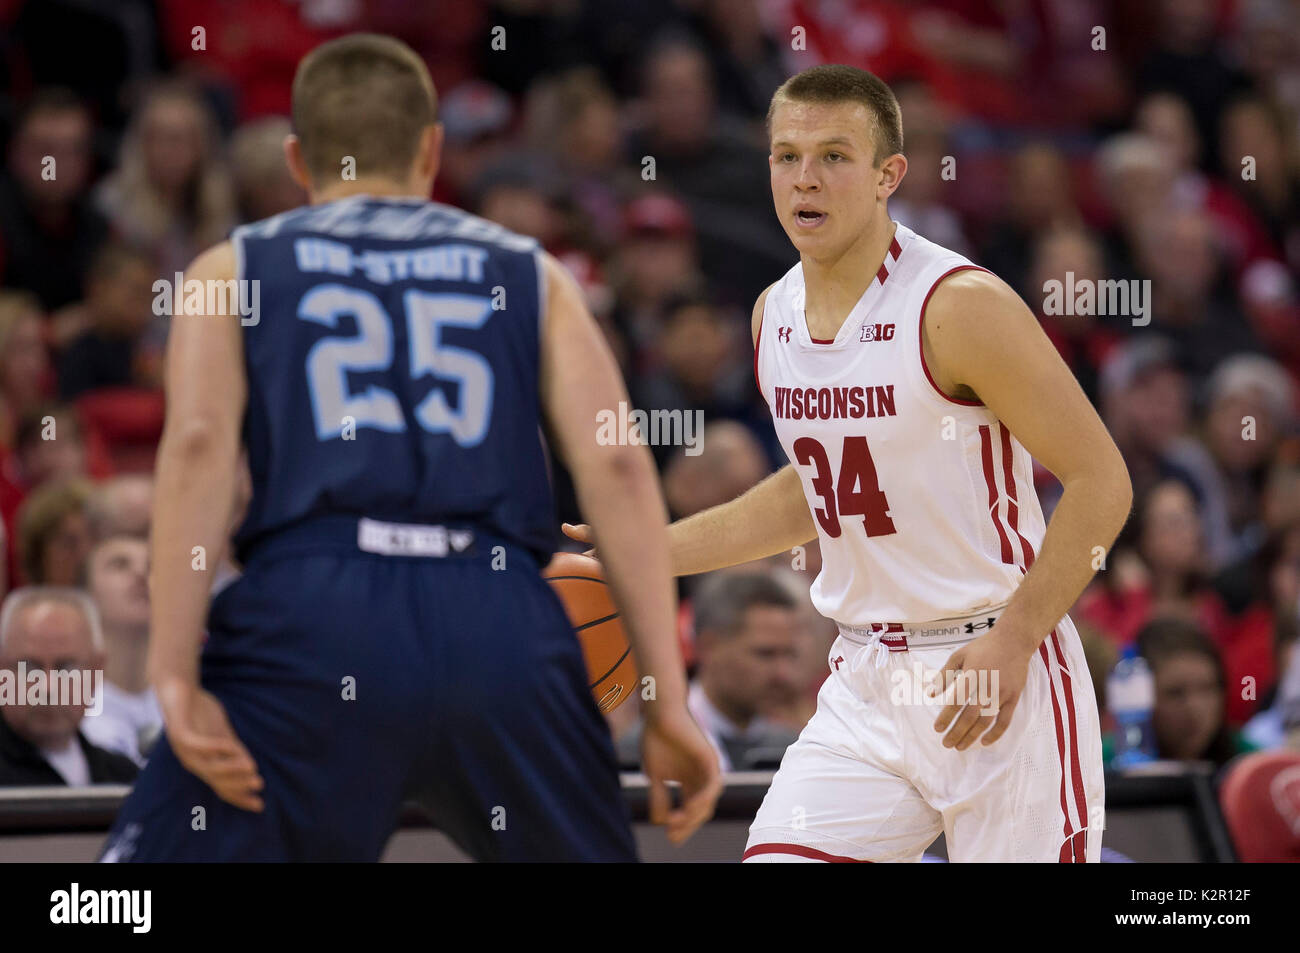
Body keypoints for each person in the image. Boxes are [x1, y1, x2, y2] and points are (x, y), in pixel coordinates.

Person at [99, 33, 719, 863]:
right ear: (432, 149)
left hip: (314, 614)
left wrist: (174, 674)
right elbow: (614, 463)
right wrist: (667, 695)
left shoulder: (232, 266)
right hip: (497, 615)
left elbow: (202, 448)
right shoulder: (530, 270)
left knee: (112, 903)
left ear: (296, 158)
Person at [569, 64, 1133, 862]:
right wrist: (642, 553)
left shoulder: (958, 304)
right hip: (866, 678)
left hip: (997, 664)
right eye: (786, 155)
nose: (806, 177)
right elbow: (813, 493)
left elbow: (1102, 480)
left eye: (835, 155)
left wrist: (1014, 640)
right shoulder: (774, 316)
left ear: (887, 175)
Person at [0, 587, 138, 787]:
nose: (48, 687)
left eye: (67, 668)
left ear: (97, 668)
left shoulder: (123, 778)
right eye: (29, 667)